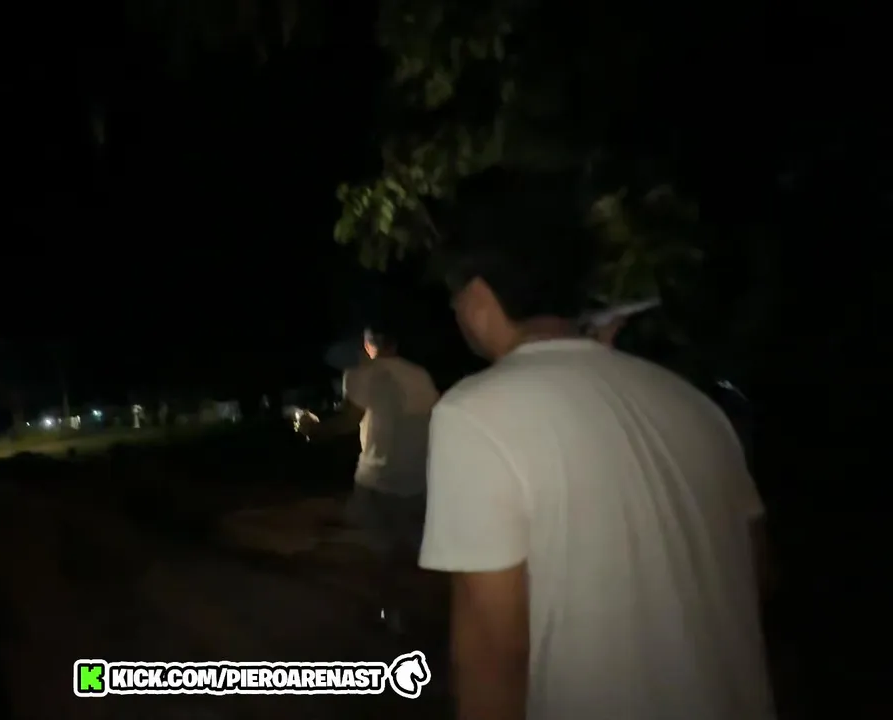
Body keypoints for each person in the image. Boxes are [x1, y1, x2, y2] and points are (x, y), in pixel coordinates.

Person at [419, 172, 774, 720]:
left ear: (478, 297)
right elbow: (754, 575)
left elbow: (493, 654)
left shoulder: (475, 413)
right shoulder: (694, 405)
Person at [309, 327, 440, 633]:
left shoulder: (360, 373)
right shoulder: (420, 374)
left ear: (368, 345)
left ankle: (388, 613)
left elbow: (347, 420)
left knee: (378, 551)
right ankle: (417, 611)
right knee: (413, 548)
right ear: (395, 342)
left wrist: (311, 430)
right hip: (419, 477)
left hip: (377, 479)